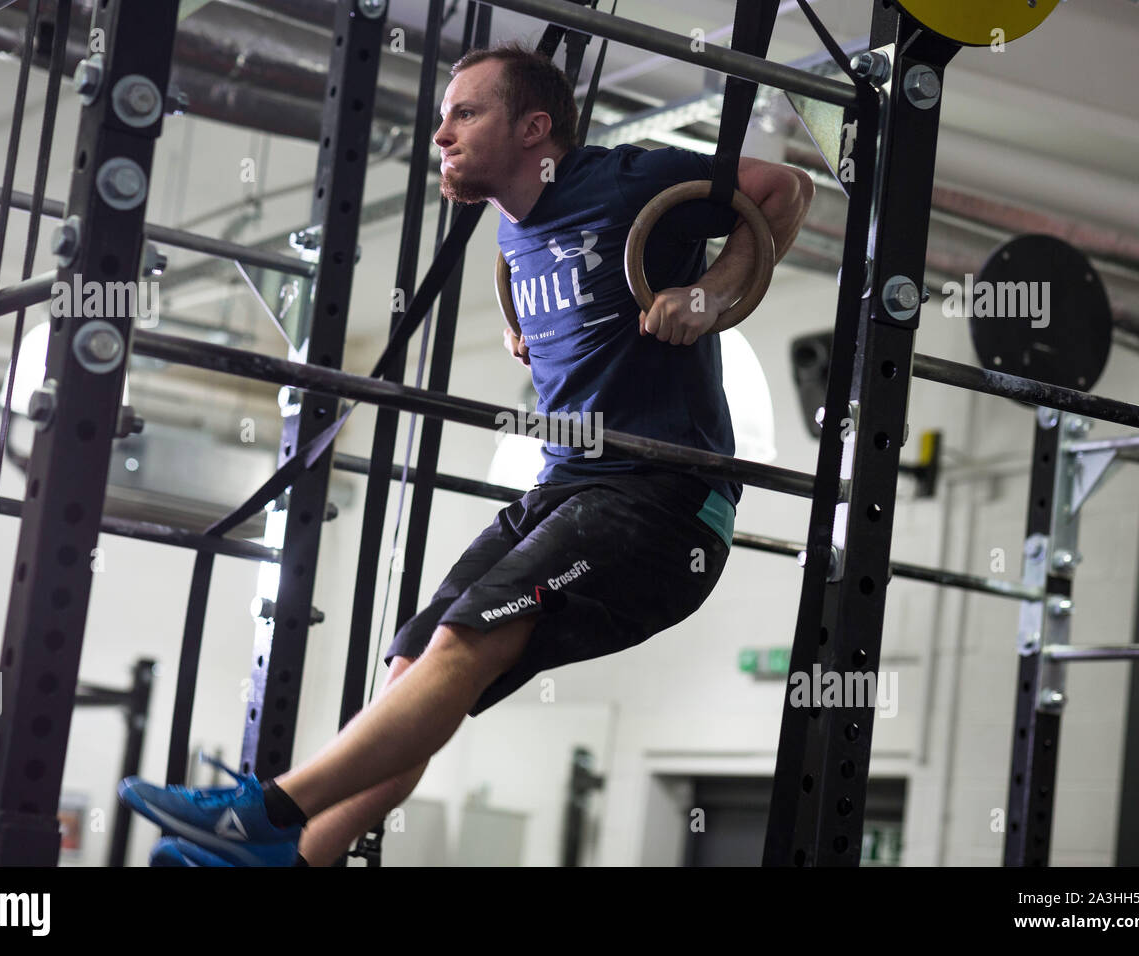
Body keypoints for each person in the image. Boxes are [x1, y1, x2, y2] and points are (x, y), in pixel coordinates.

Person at [118, 40, 814, 867]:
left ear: (534, 129)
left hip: (665, 503)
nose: (441, 134)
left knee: (460, 646)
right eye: (443, 118)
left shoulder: (626, 180)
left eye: (465, 114)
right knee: (415, 662)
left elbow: (782, 188)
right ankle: (300, 858)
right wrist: (521, 316)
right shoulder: (514, 223)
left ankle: (264, 811)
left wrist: (707, 293)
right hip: (571, 488)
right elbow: (517, 254)